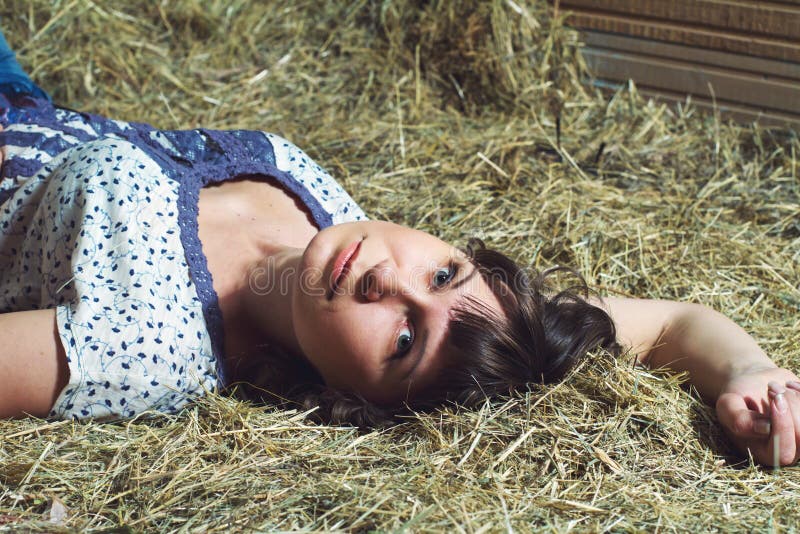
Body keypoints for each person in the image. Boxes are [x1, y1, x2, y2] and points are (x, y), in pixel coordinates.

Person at [0, 33, 797, 468]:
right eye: (444, 272)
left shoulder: (144, 352)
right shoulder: (336, 226)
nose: (391, 280)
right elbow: (672, 323)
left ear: (355, 401)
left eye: (406, 341)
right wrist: (750, 372)